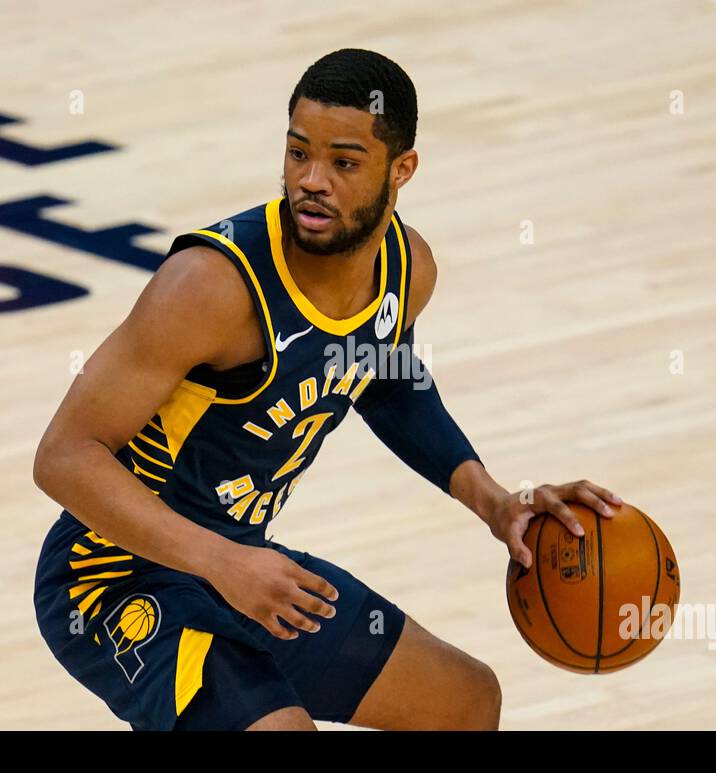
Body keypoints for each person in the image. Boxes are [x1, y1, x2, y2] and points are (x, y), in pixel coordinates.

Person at [31, 47, 622, 731]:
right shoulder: (209, 287)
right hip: (111, 576)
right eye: (296, 154)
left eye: (343, 163)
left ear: (401, 171)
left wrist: (493, 501)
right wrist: (223, 562)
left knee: (464, 701)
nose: (312, 181)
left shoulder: (408, 269)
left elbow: (387, 380)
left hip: (243, 562)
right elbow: (64, 455)